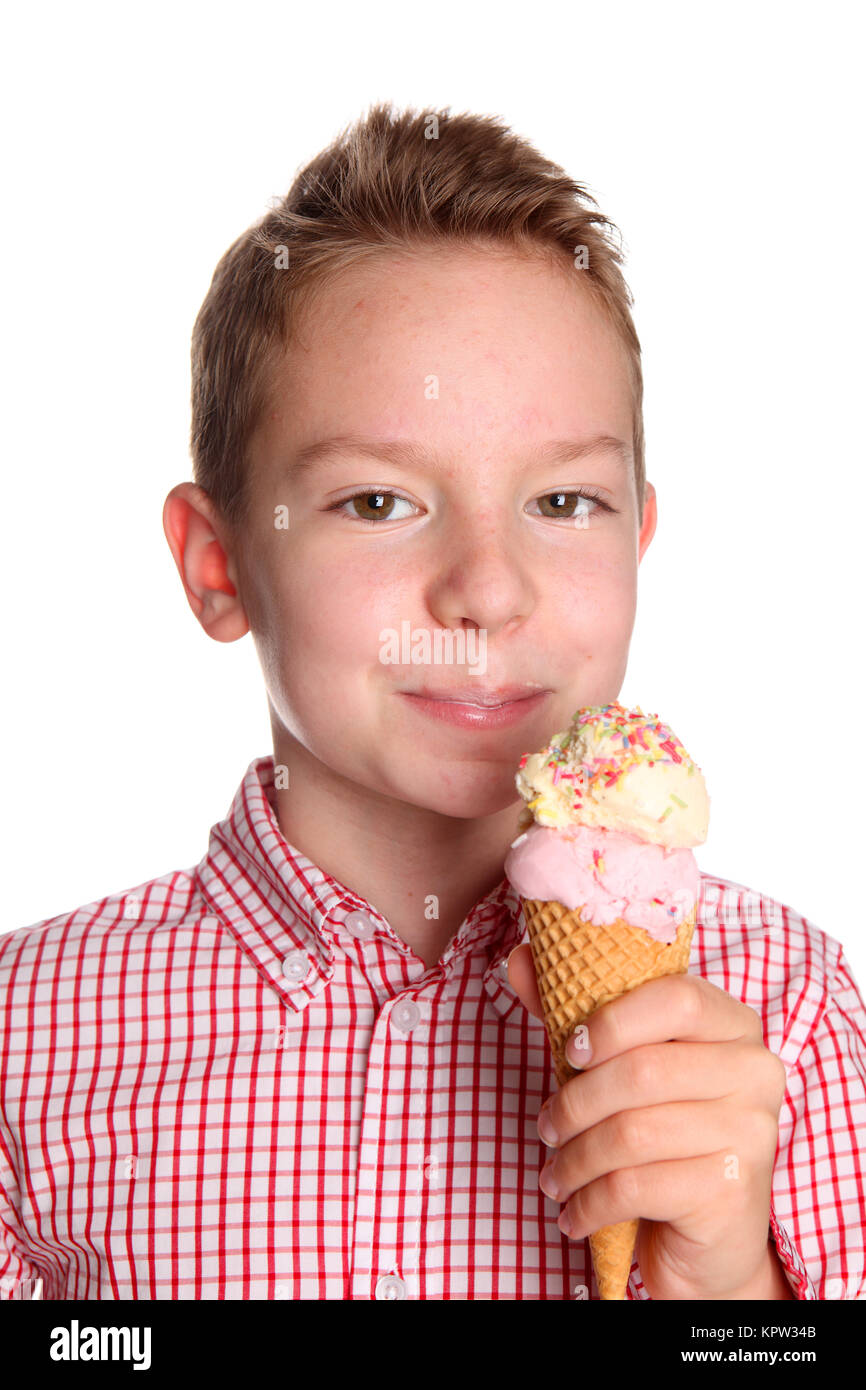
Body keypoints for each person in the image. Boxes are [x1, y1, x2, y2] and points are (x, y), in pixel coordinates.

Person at [1, 102, 863, 1301]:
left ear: (638, 542)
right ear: (218, 564)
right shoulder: (27, 1039)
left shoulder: (790, 1020)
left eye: (561, 503)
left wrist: (728, 1298)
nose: (487, 589)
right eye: (376, 503)